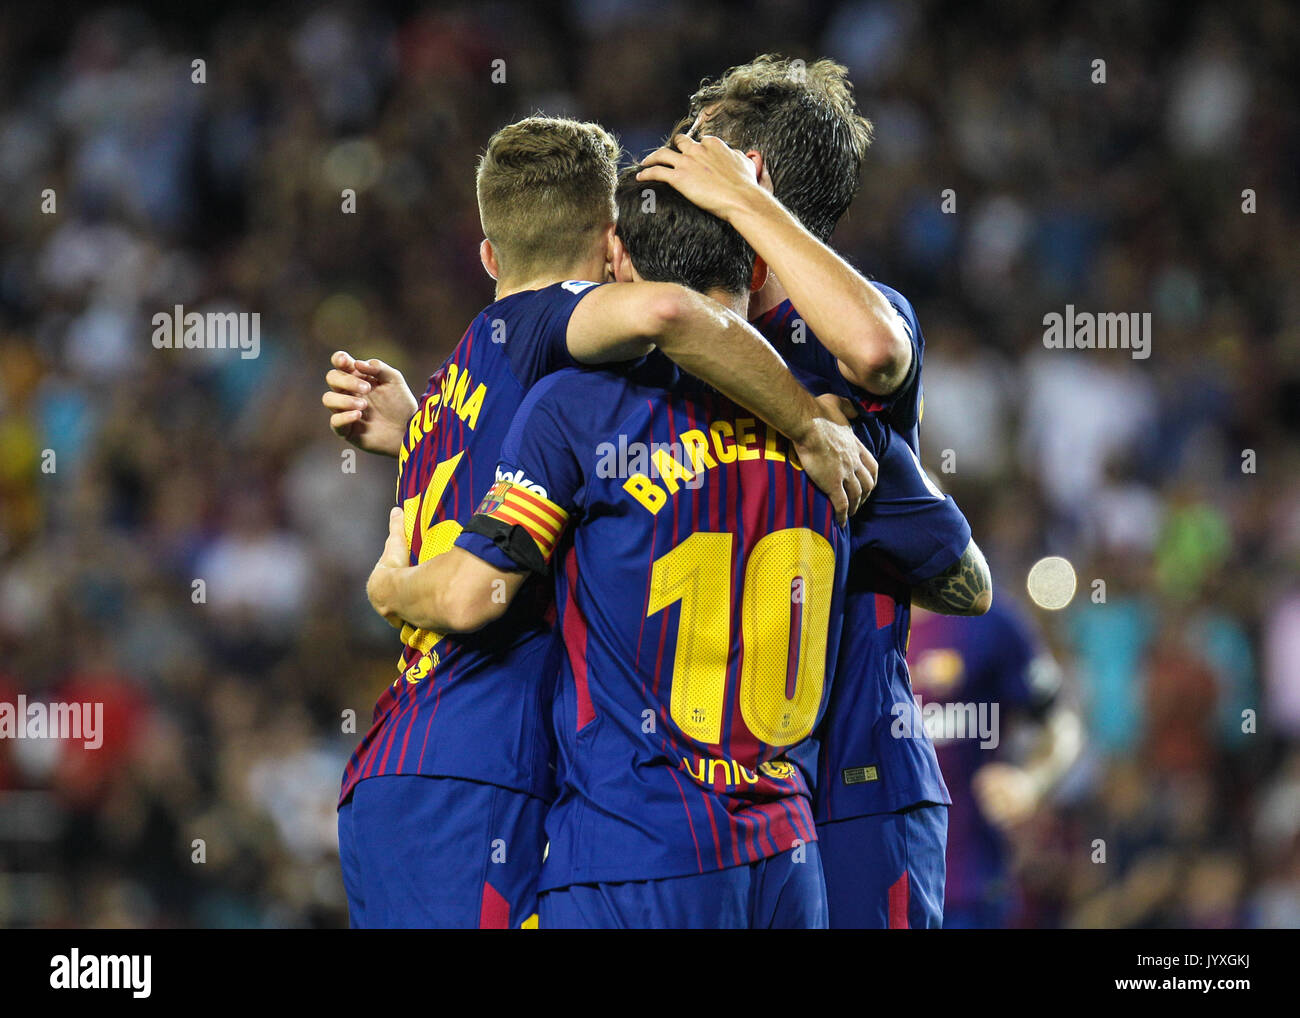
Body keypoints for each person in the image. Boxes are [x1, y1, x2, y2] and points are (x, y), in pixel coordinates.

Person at [329, 115, 875, 928]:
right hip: (479, 770)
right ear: (613, 243)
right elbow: (673, 313)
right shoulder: (559, 324)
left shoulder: (460, 378)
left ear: (489, 256)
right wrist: (809, 424)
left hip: (413, 762)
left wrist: (412, 429)